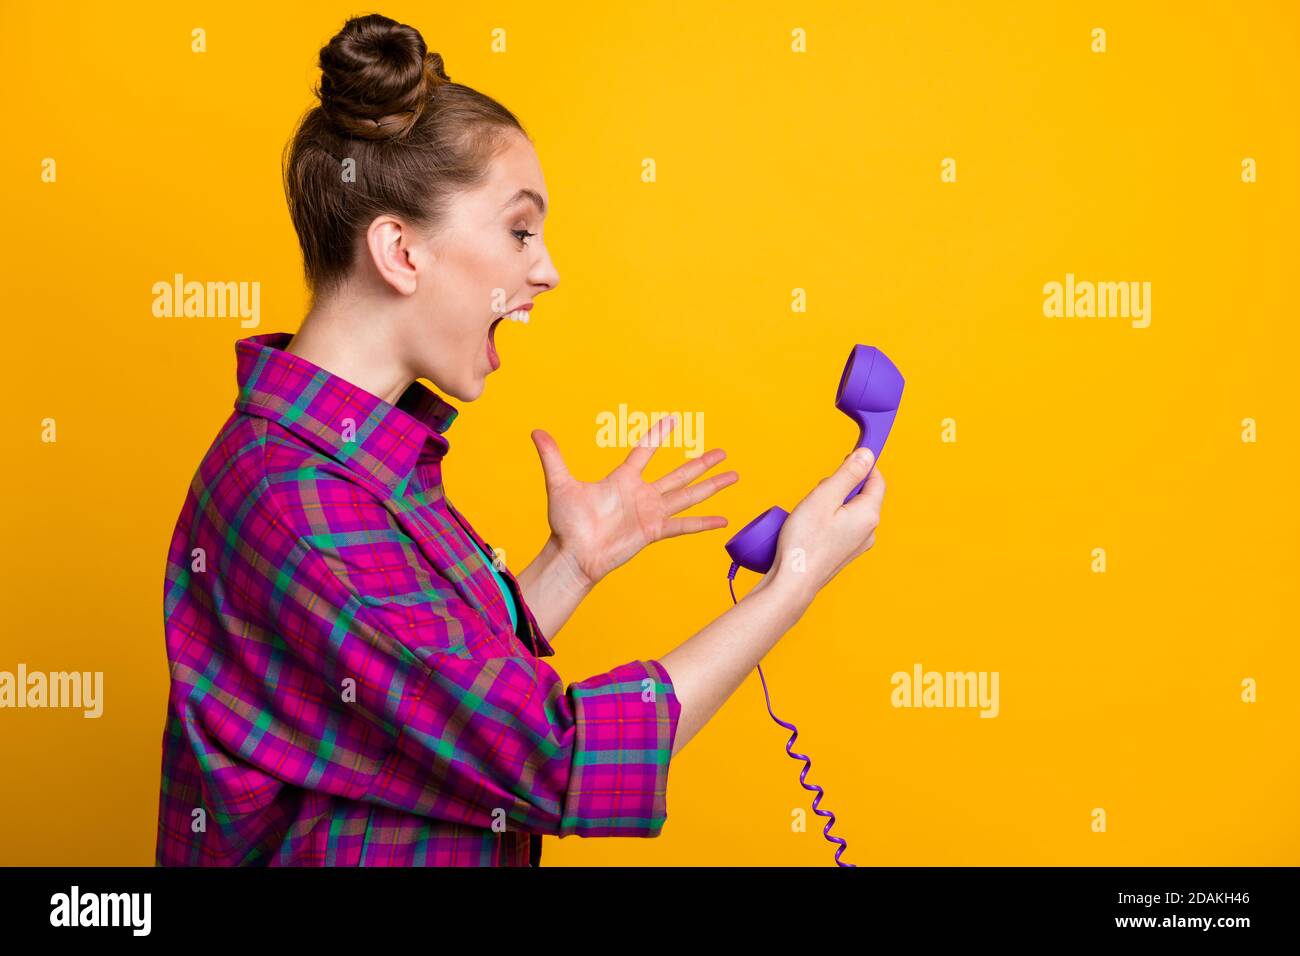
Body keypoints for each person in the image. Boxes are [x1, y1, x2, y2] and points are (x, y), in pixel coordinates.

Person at [154, 12, 886, 867]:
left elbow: (423, 703)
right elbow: (557, 758)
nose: (547, 270)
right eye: (518, 230)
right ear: (400, 251)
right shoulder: (294, 500)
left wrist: (569, 564)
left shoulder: (346, 467)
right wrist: (796, 581)